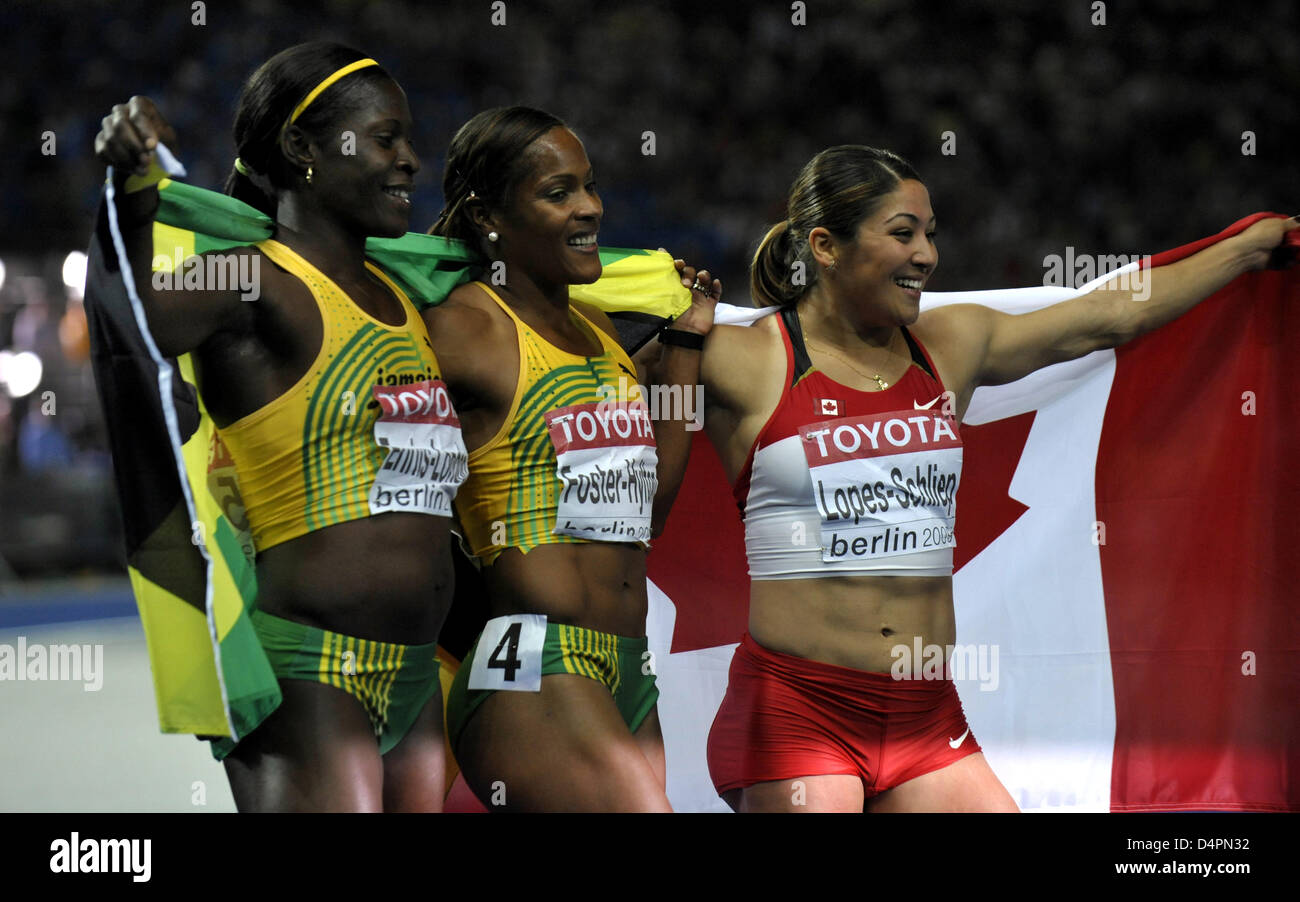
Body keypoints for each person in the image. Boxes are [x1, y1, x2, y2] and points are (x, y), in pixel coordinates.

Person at [701, 145, 1297, 812]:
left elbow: (1109, 317)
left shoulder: (949, 343)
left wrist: (1248, 249)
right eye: (903, 233)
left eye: (929, 234)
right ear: (825, 246)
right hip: (798, 712)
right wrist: (664, 312)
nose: (926, 254)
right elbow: (586, 368)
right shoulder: (745, 359)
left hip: (925, 715)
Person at [93, 42, 467, 812]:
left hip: (417, 679)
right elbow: (131, 321)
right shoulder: (255, 278)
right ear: (302, 148)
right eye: (385, 138)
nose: (410, 161)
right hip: (310, 672)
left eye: (408, 140)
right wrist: (127, 192)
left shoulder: (411, 296)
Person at [424, 106, 717, 811]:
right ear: (489, 216)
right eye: (559, 193)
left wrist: (684, 349)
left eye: (589, 186)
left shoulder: (600, 335)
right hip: (532, 661)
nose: (592, 207)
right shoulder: (465, 327)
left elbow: (648, 514)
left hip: (626, 667)